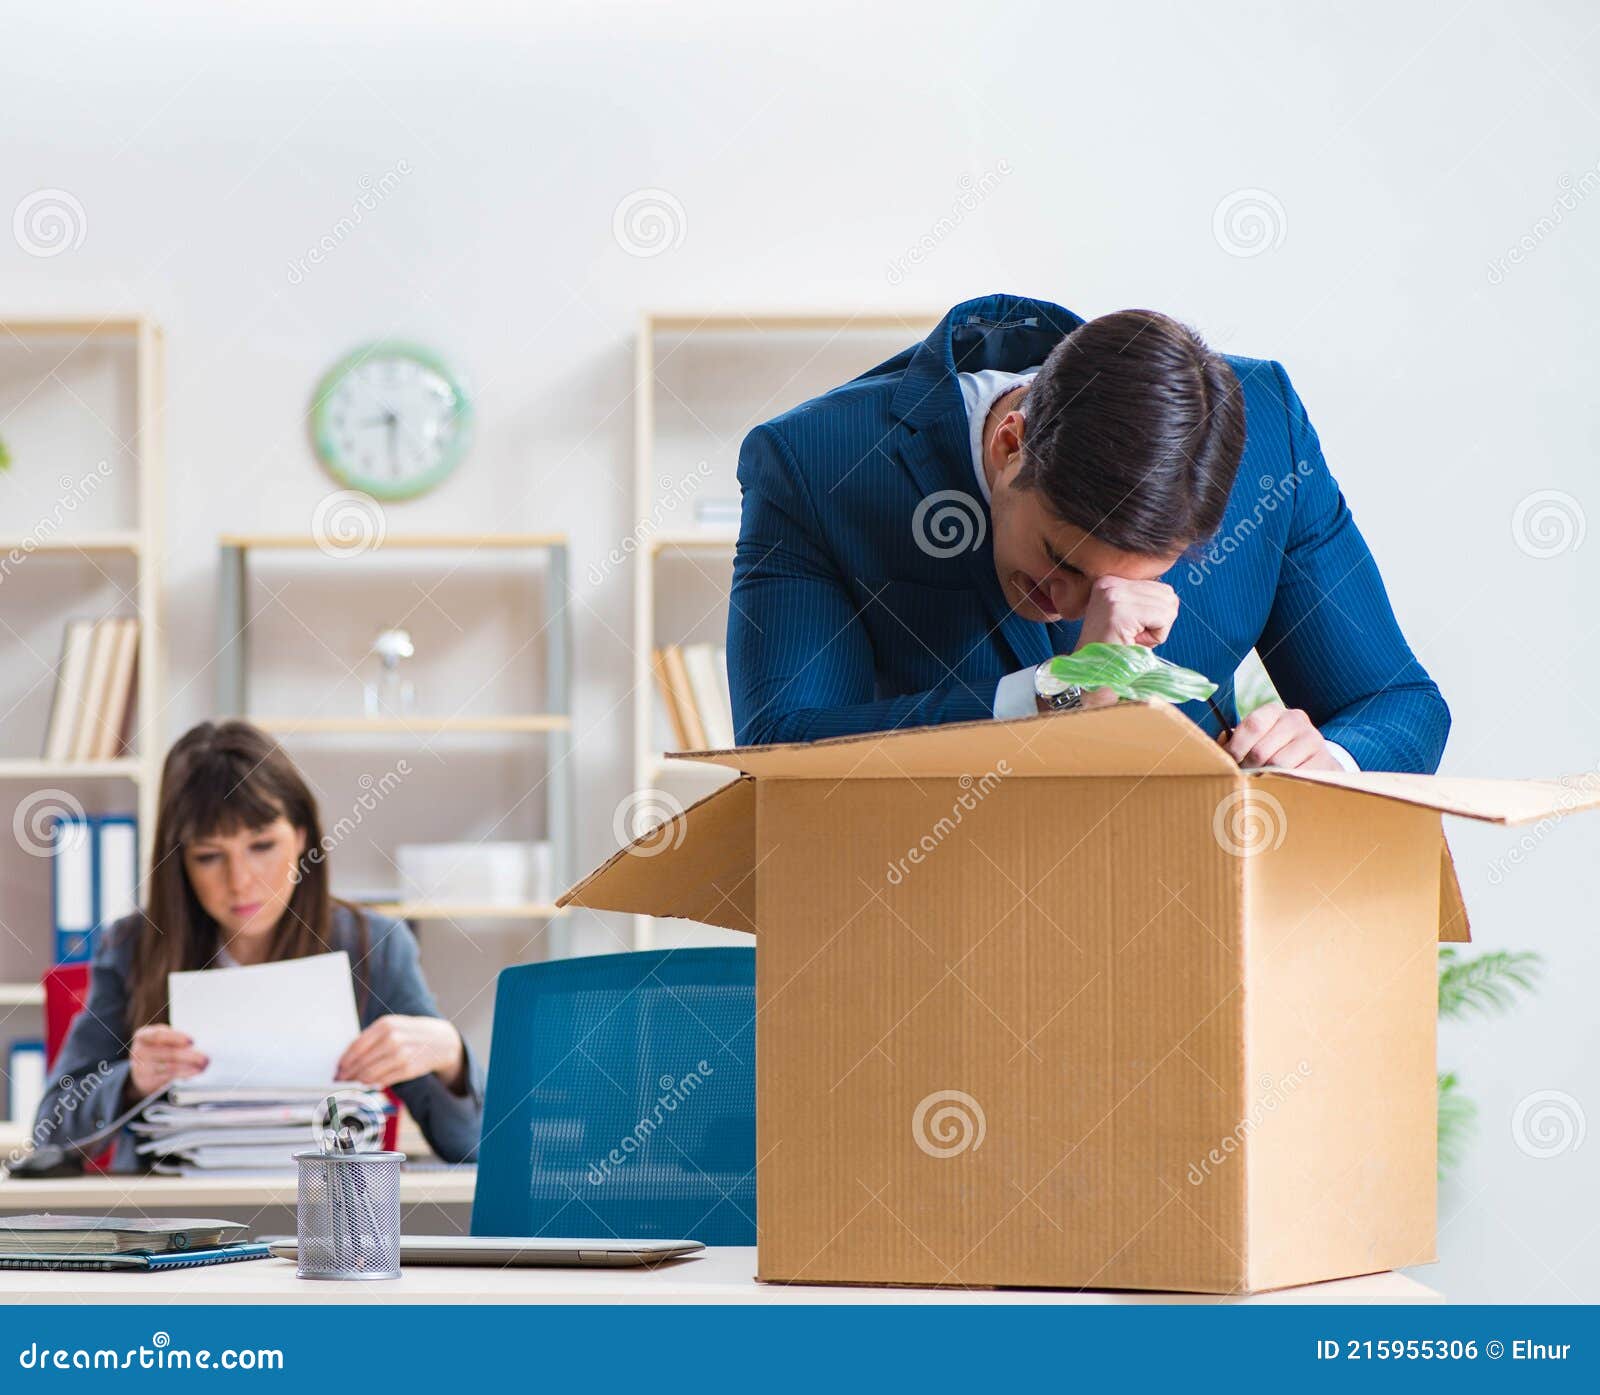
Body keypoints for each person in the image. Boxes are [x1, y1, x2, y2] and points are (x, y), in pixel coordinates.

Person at [727, 292, 1448, 773]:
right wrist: (1054, 692)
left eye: (1135, 580)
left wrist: (1329, 759)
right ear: (1011, 446)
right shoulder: (819, 465)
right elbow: (779, 755)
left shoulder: (1270, 437)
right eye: (1058, 561)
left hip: (1189, 924)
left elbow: (1400, 704)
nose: (1079, 608)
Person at [35, 720, 483, 1169]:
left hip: (325, 1215)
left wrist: (450, 1057)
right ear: (178, 863)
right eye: (209, 856)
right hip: (174, 1226)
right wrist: (130, 1082)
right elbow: (50, 1135)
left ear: (302, 837)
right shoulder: (131, 946)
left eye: (263, 845)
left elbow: (475, 1147)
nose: (240, 881)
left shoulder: (374, 945)